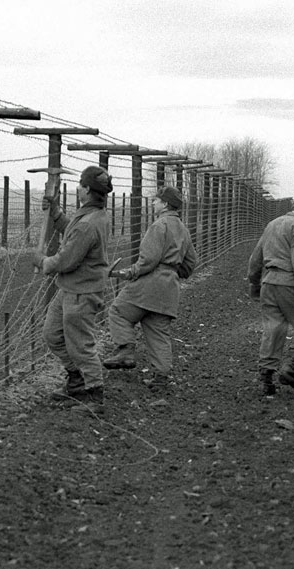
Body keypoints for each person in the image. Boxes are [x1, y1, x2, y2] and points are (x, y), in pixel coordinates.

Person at [31, 166, 112, 412]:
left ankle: (95, 395)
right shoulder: (94, 215)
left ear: (87, 190)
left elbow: (67, 259)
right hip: (70, 288)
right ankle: (76, 380)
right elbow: (73, 231)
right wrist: (55, 213)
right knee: (52, 334)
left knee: (81, 344)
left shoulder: (89, 223)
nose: (77, 187)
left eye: (80, 183)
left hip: (82, 292)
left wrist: (44, 262)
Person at [102, 186, 197, 394]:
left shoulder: (159, 225)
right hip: (170, 288)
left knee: (118, 311)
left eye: (156, 200)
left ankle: (125, 350)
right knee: (158, 332)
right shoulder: (182, 228)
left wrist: (130, 272)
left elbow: (148, 260)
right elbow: (191, 262)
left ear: (164, 204)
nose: (154, 203)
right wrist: (172, 274)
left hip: (149, 283)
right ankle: (161, 378)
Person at [246, 194, 294, 396]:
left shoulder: (272, 224)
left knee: (273, 328)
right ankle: (290, 366)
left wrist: (254, 283)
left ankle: (267, 378)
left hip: (268, 283)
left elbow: (256, 258)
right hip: (289, 284)